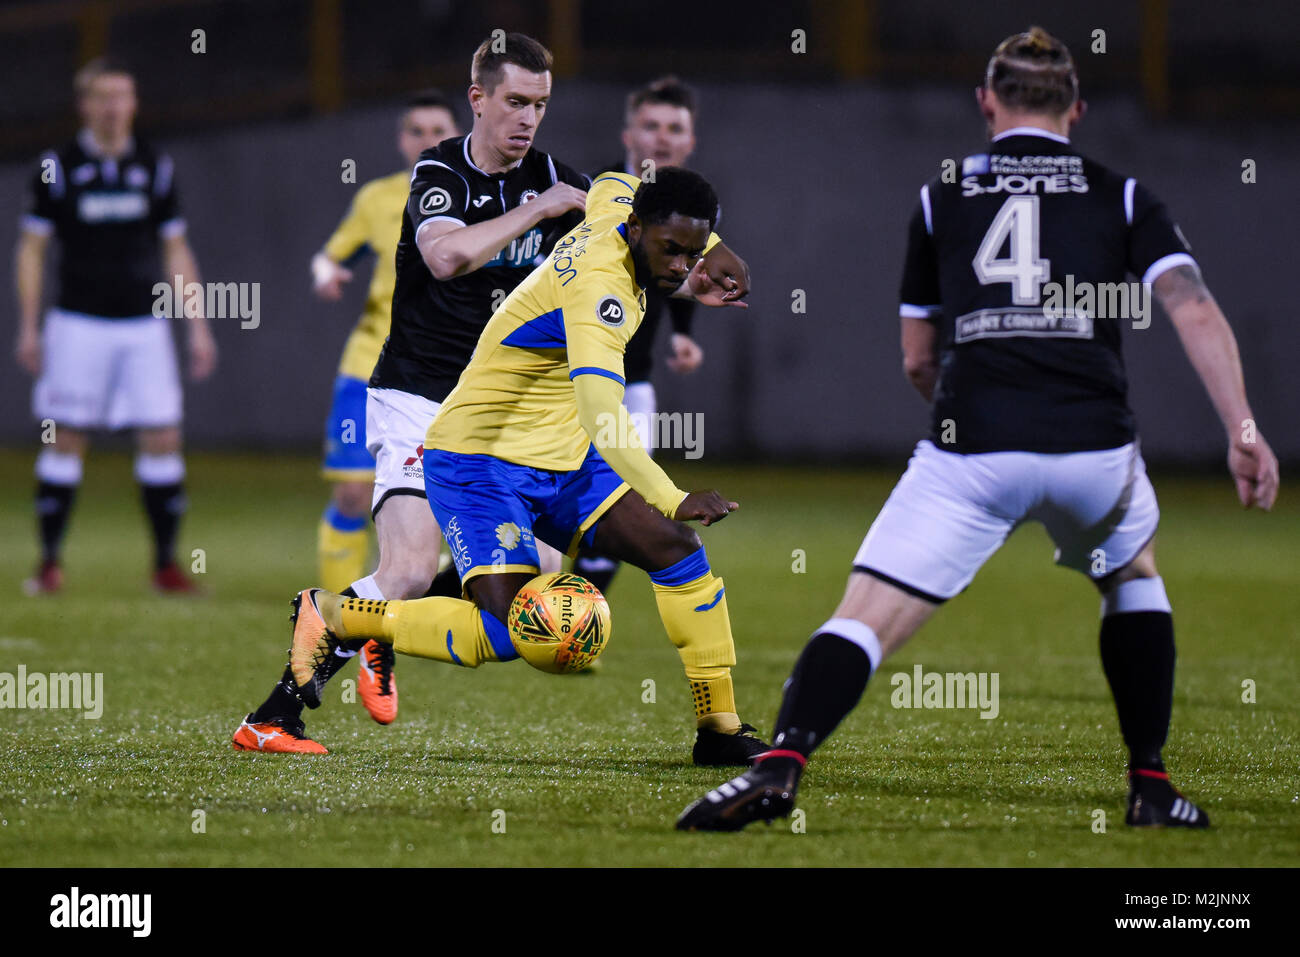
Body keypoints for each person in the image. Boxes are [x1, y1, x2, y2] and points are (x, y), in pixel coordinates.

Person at [677, 26, 1279, 831]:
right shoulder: (1124, 194)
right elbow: (1192, 306)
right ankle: (1151, 785)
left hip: (977, 446)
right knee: (1133, 574)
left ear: (986, 103)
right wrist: (1242, 426)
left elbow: (919, 357)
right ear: (1077, 108)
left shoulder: (942, 196)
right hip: (1094, 447)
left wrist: (968, 407)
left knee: (863, 614)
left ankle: (780, 766)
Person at [283, 168, 767, 767]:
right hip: (480, 461)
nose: (680, 267)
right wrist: (670, 493)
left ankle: (719, 729)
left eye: (692, 252)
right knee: (511, 633)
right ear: (636, 230)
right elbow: (600, 413)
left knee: (677, 551)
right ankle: (333, 613)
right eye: (672, 250)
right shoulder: (602, 289)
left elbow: (613, 180)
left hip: (560, 456)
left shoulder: (621, 205)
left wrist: (718, 250)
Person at [234, 32, 591, 752]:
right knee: (405, 567)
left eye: (541, 105)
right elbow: (446, 253)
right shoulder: (441, 174)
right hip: (419, 396)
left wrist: (694, 270)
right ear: (479, 98)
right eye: (516, 102)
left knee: (538, 580)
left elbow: (628, 237)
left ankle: (342, 633)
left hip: (498, 412)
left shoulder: (556, 178)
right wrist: (539, 211)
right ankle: (281, 708)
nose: (527, 119)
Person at [15, 57, 216, 595]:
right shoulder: (57, 165)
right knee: (66, 437)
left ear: (134, 102)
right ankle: (50, 562)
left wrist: (197, 326)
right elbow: (32, 250)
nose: (113, 107)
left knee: (163, 434)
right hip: (76, 323)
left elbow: (175, 248)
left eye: (123, 96)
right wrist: (29, 326)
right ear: (84, 104)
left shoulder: (154, 164)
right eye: (102, 97)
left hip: (142, 327)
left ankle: (166, 565)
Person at [308, 90, 460, 724]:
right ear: (403, 139)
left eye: (438, 127)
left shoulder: (474, 197)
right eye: (416, 128)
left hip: (451, 376)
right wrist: (325, 273)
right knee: (350, 494)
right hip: (372, 365)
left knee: (453, 516)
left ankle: (376, 617)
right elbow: (330, 253)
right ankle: (345, 616)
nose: (427, 136)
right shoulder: (377, 197)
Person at [574, 75, 706, 596]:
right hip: (567, 380)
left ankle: (575, 627)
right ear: (628, 135)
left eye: (675, 127)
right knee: (538, 517)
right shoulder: (595, 195)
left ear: (690, 141)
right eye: (650, 125)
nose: (662, 137)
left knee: (629, 507)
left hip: (634, 379)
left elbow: (682, 274)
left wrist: (683, 332)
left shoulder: (693, 206)